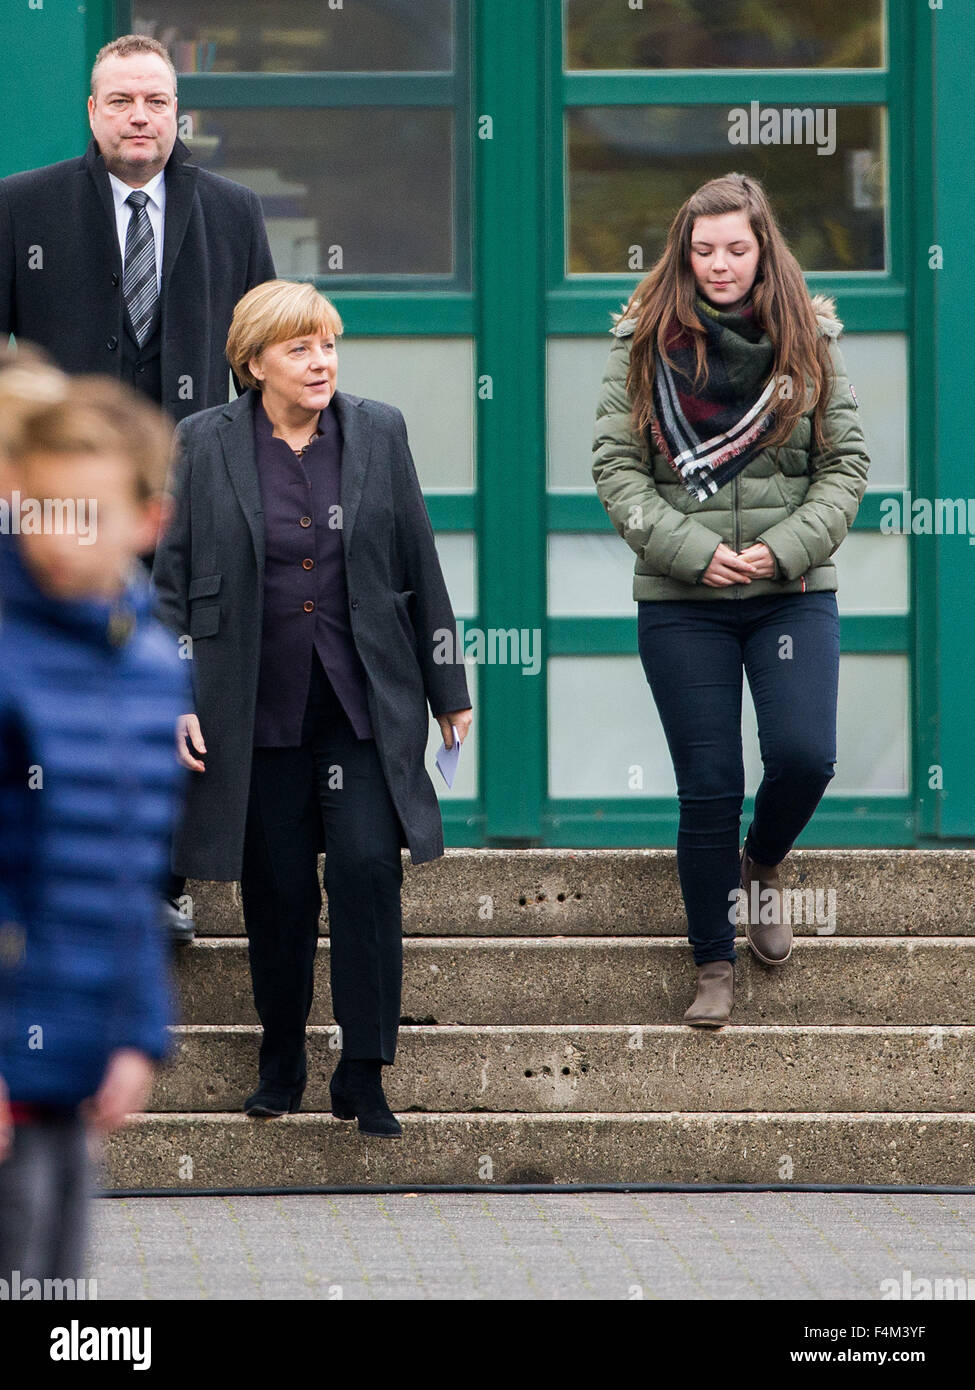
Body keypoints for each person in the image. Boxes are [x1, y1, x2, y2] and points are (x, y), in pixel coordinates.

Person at [152, 279, 473, 1134]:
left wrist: (449, 686)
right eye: (299, 348)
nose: (320, 360)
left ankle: (363, 1070)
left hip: (360, 699)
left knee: (368, 869)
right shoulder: (204, 441)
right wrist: (176, 694)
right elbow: (170, 584)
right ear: (253, 362)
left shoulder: (378, 430)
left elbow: (418, 560)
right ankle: (282, 1052)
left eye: (327, 343)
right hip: (251, 704)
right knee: (280, 889)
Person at [0, 32, 276, 946]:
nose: (139, 117)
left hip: (190, 496)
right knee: (76, 679)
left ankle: (163, 882)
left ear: (177, 111)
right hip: (61, 505)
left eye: (155, 102)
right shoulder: (21, 208)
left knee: (178, 677)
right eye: (121, 101)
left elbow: (262, 362)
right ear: (92, 111)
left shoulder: (232, 214)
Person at [592, 173, 870, 1028]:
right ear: (683, 253)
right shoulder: (642, 343)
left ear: (763, 252)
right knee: (708, 783)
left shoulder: (809, 342)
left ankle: (763, 862)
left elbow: (845, 467)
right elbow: (616, 471)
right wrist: (696, 551)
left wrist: (779, 551)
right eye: (702, 250)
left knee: (802, 756)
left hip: (788, 592)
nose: (719, 265)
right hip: (683, 599)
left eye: (736, 249)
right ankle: (712, 960)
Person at [0, 357, 189, 1288]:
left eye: (86, 511)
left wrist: (135, 1032)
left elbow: (125, 875)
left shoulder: (154, 667)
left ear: (148, 522)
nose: (57, 534)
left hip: (70, 1068)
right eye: (41, 507)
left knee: (62, 1301)